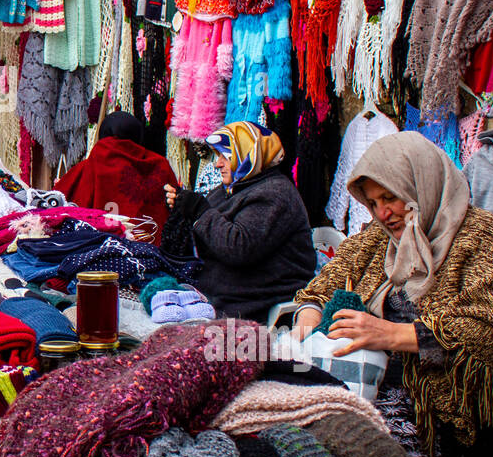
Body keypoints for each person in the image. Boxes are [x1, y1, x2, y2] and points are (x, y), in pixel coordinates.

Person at [291, 131, 493, 457]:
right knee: (286, 437)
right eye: (373, 202)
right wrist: (308, 320)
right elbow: (321, 287)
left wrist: (392, 334)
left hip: (452, 410)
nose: (384, 212)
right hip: (375, 388)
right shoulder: (379, 239)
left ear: (419, 183)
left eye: (391, 197)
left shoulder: (483, 237)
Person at [160, 121, 315, 322]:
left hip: (255, 301)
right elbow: (207, 222)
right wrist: (183, 206)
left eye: (226, 156)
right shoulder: (233, 189)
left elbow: (239, 247)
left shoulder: (276, 194)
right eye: (218, 156)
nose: (218, 163)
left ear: (249, 154)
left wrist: (199, 212)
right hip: (223, 294)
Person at [54, 111, 176, 240]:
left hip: (97, 252)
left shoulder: (89, 166)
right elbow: (175, 207)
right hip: (151, 251)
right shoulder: (159, 165)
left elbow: (58, 203)